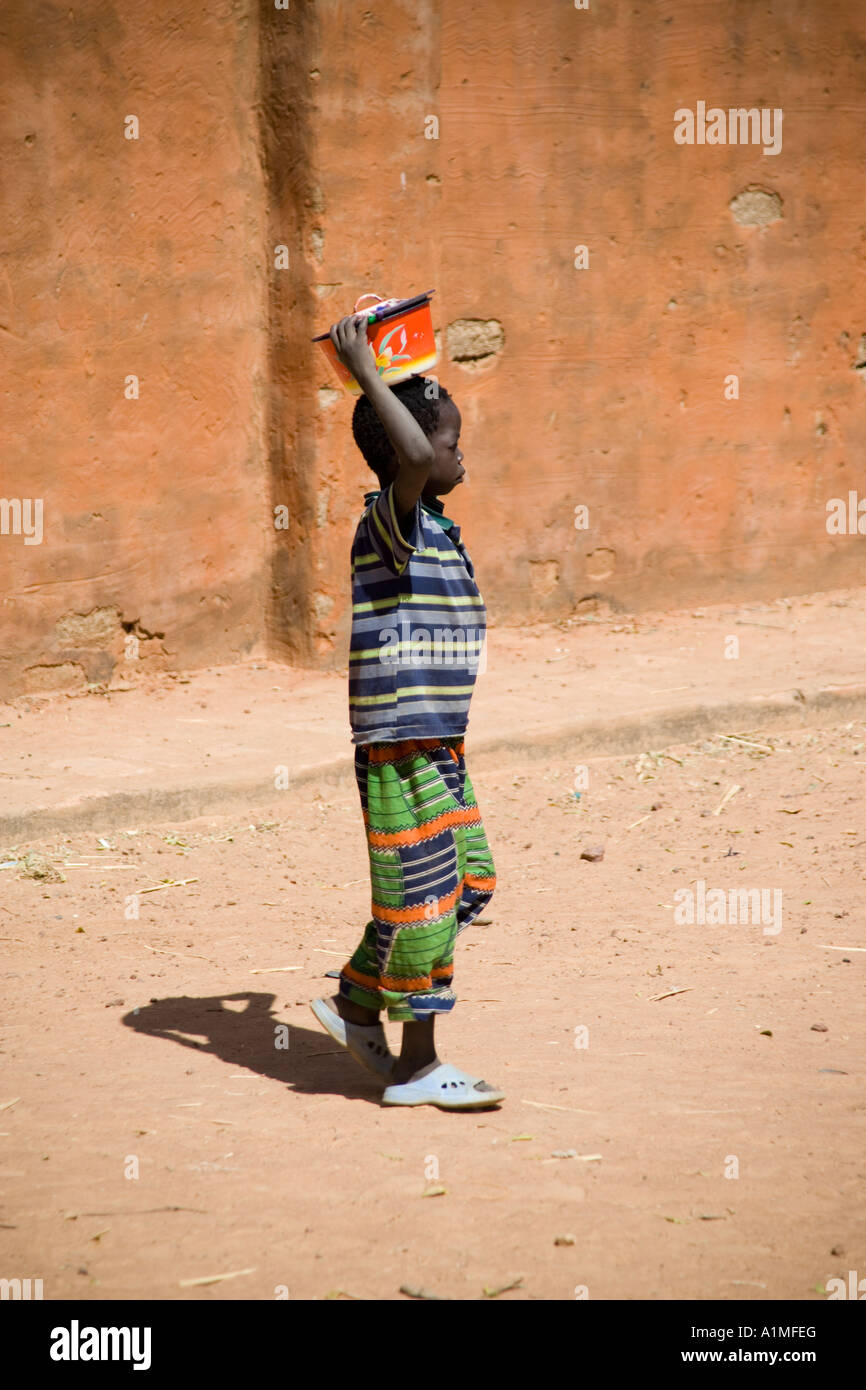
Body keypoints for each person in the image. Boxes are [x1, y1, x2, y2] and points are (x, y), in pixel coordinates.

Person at [310, 312, 504, 1110]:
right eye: (453, 444)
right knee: (424, 902)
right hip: (401, 746)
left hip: (437, 744)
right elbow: (417, 455)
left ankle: (358, 1003)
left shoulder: (435, 528)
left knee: (464, 887)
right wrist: (367, 372)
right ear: (409, 458)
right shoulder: (390, 524)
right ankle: (417, 1068)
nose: (460, 456)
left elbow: (420, 452)